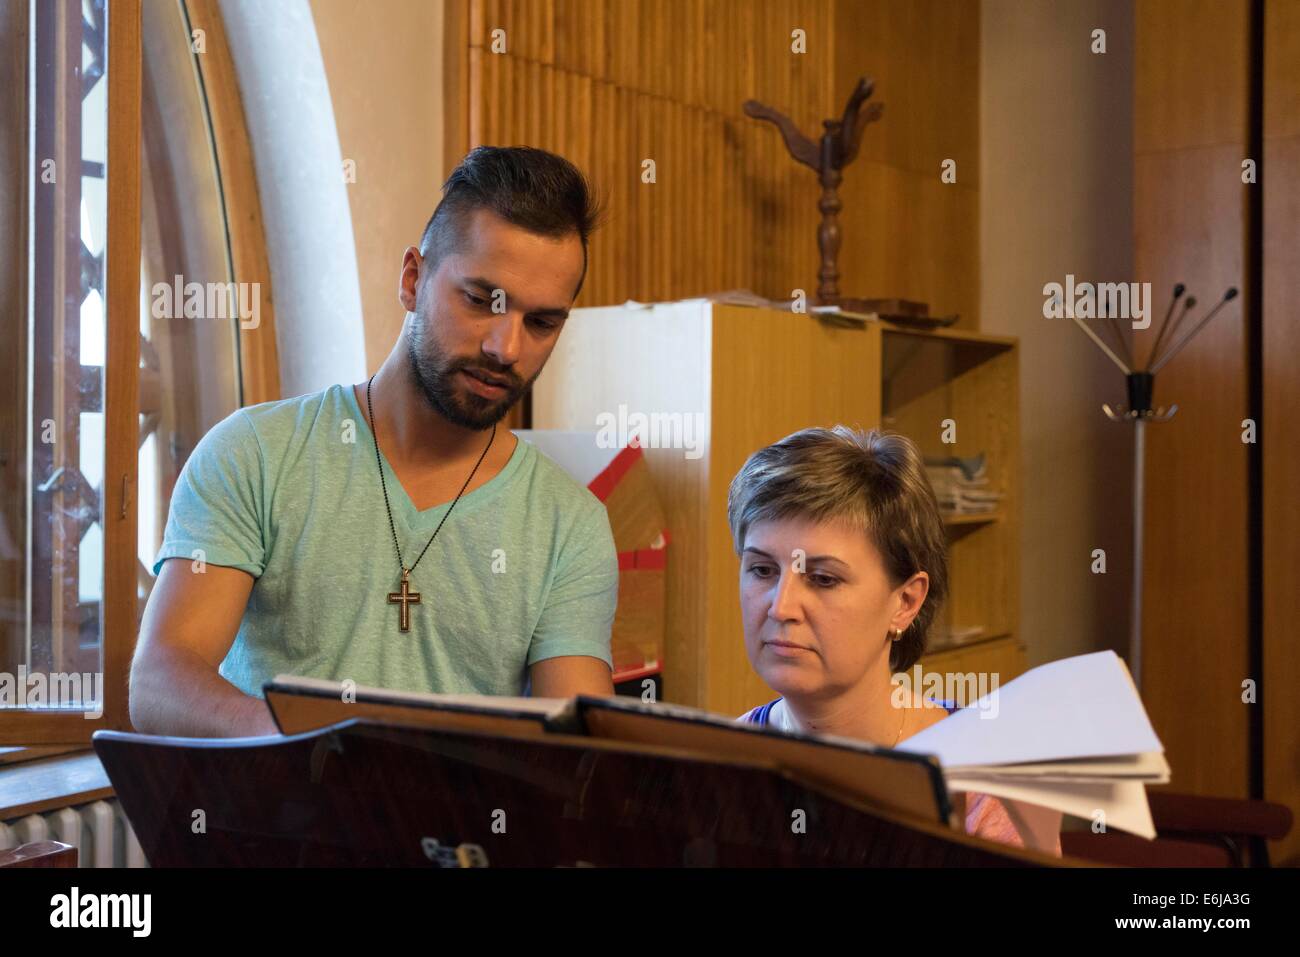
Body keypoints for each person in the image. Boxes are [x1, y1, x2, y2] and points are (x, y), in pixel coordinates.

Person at [131, 147, 619, 737]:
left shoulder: (570, 524)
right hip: (271, 824)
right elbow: (161, 681)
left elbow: (577, 744)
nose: (505, 347)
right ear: (413, 278)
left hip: (455, 832)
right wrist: (323, 756)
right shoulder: (255, 454)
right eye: (479, 300)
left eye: (541, 322)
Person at [729, 425, 1062, 856]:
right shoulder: (717, 761)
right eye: (762, 570)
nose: (781, 607)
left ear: (905, 602)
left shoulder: (984, 782)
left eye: (823, 579)